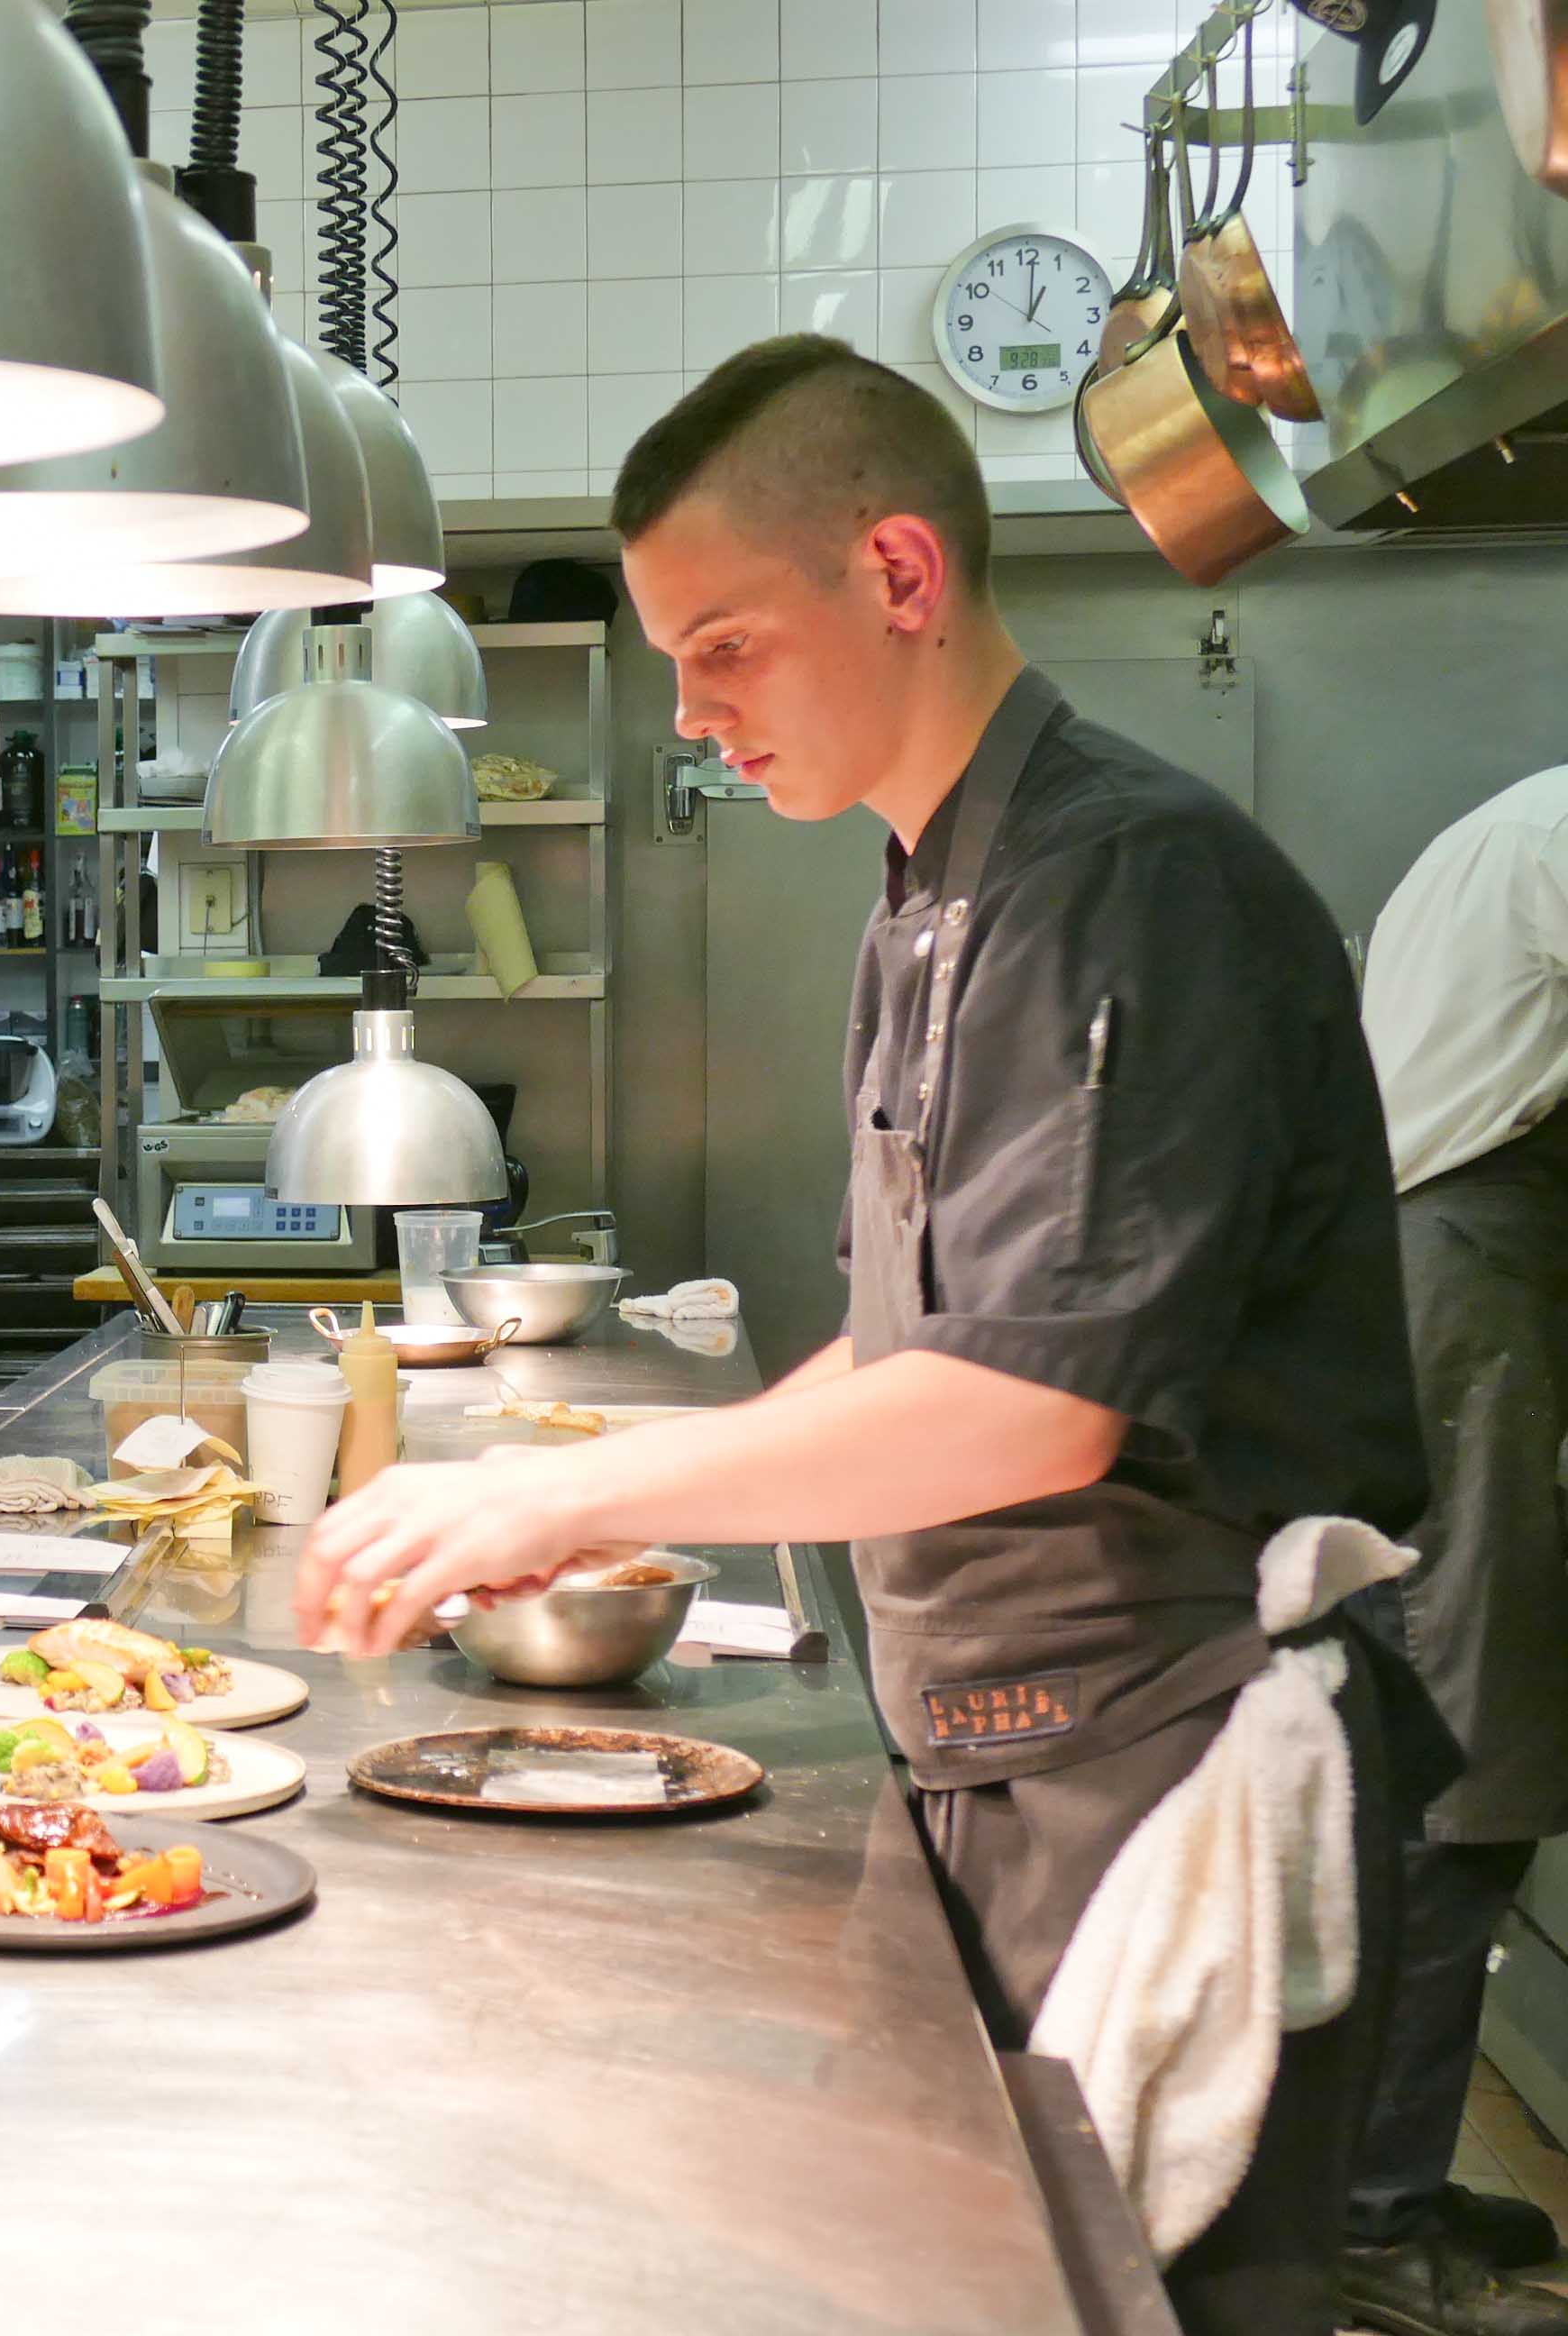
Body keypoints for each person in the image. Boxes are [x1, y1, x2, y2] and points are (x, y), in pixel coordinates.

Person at [292, 337, 1430, 2336]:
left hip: (1158, 1773)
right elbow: (915, 1338)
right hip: (1011, 1757)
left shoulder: (1117, 882)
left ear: (897, 575)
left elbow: (1034, 1407)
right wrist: (547, 1490)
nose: (695, 713)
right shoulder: (934, 894)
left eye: (722, 646)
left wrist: (569, 1503)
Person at [1342, 768, 1568, 2336]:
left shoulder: (1516, 816)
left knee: (1403, 1767)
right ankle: (1371, 2215)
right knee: (1458, 1773)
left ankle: (1369, 2175)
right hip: (1460, 1305)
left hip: (1431, 1290)